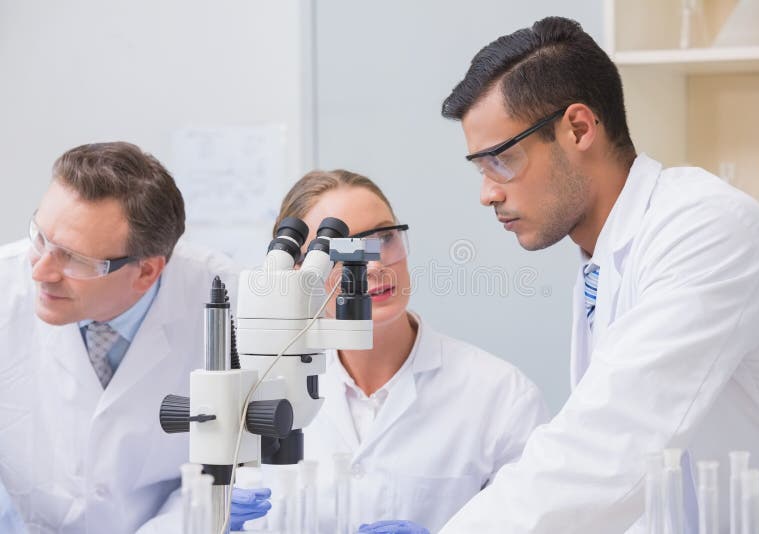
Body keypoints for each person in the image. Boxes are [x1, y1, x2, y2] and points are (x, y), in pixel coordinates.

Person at [429, 16, 759, 533]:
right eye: (481, 168)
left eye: (503, 160)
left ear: (579, 128)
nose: (487, 193)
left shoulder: (705, 230)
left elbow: (604, 457)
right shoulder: (603, 259)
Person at [0, 142, 269, 533]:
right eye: (41, 237)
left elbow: (238, 458)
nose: (41, 270)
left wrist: (190, 517)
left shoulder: (230, 303)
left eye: (74, 258)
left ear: (146, 272)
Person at [266, 170, 549, 533]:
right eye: (342, 251)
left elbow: (542, 520)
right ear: (299, 272)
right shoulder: (275, 390)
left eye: (384, 237)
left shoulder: (503, 397)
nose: (375, 264)